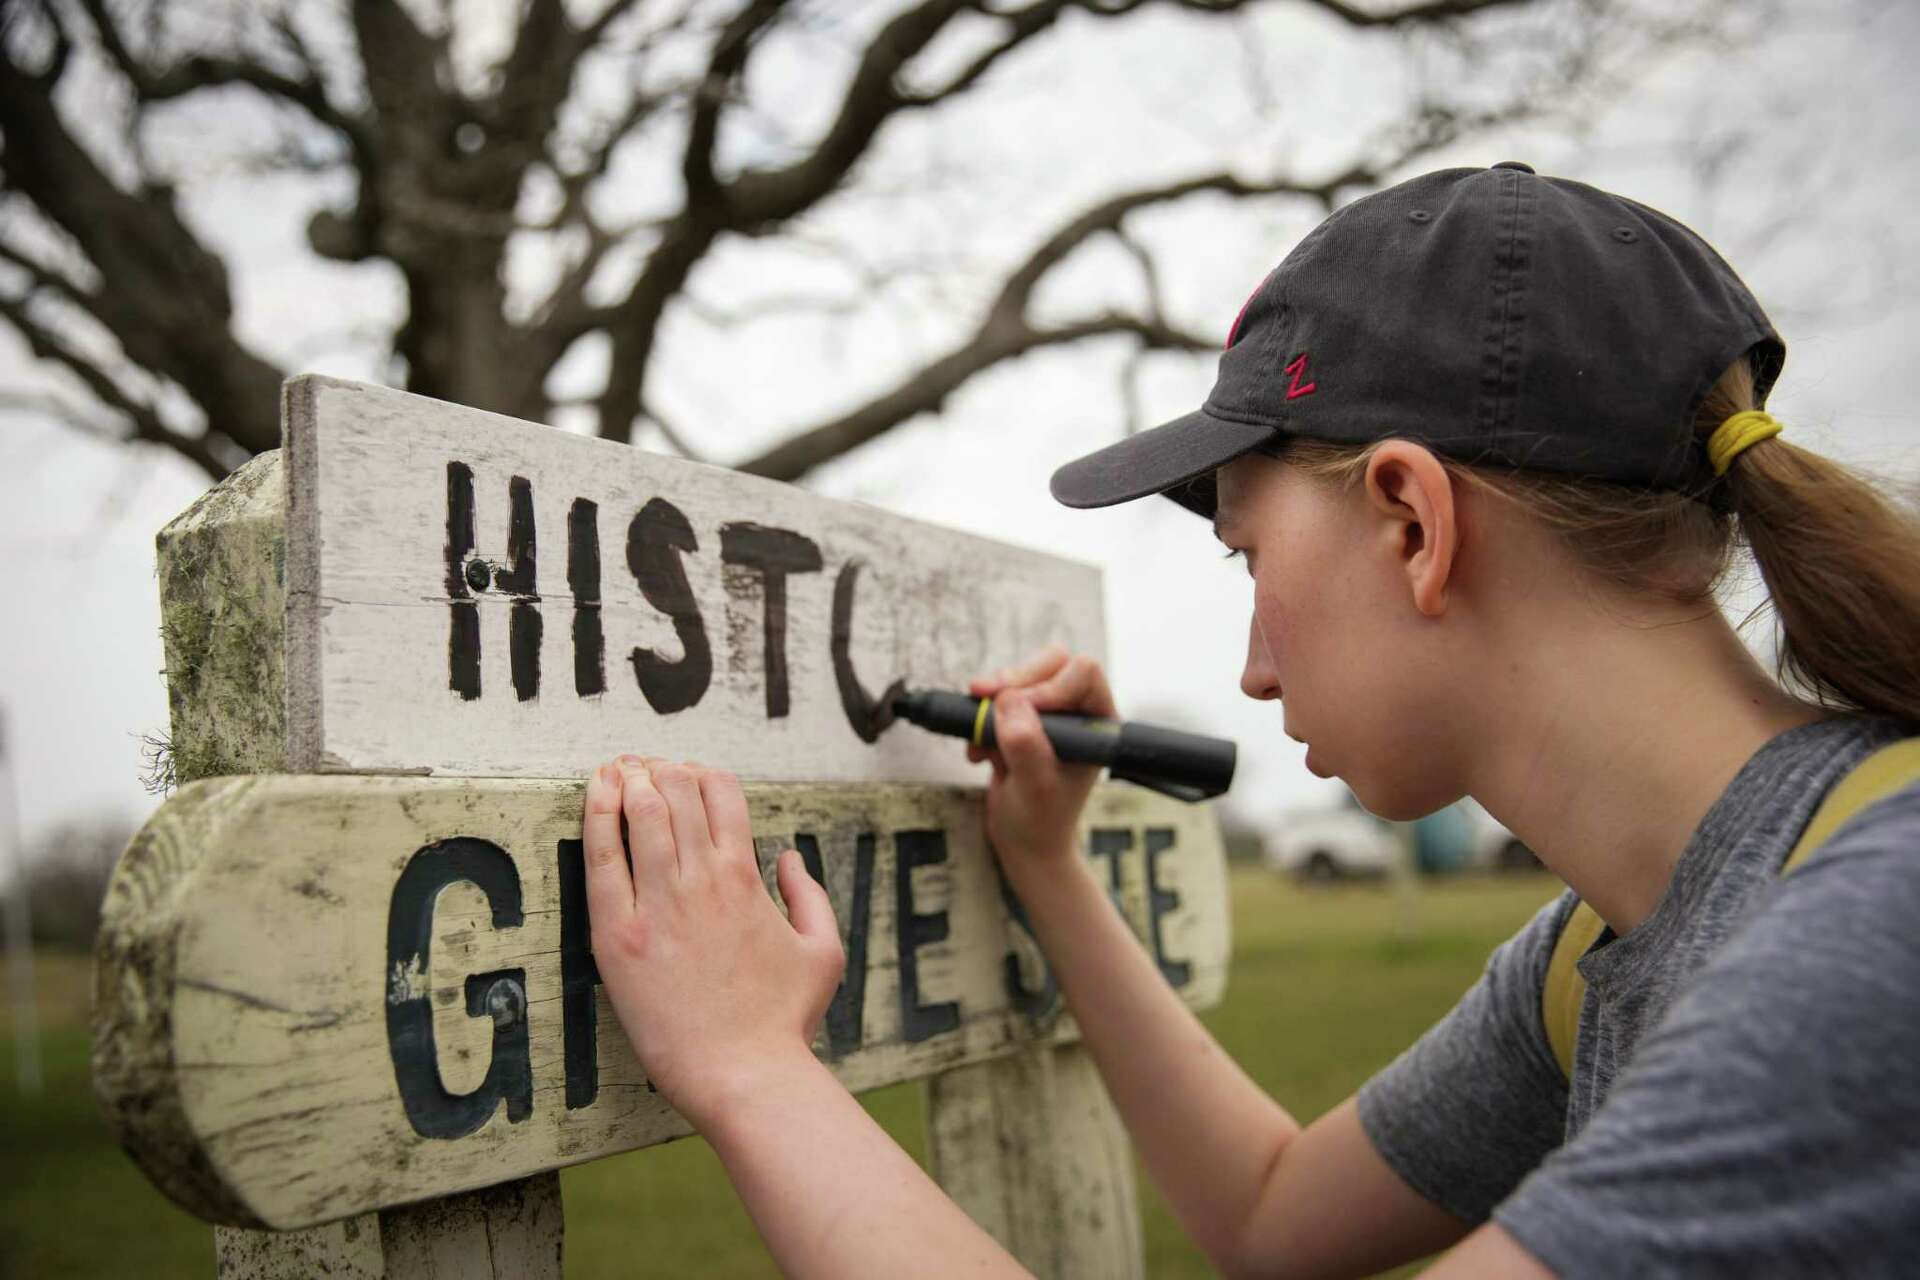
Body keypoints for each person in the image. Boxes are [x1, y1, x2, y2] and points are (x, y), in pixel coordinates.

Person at [578, 162, 1920, 1278]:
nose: (1254, 671)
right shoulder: (1604, 951)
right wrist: (1047, 864)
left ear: (1413, 522)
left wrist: (754, 1068)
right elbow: (1273, 1216)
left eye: (1248, 559)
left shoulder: (1874, 938)